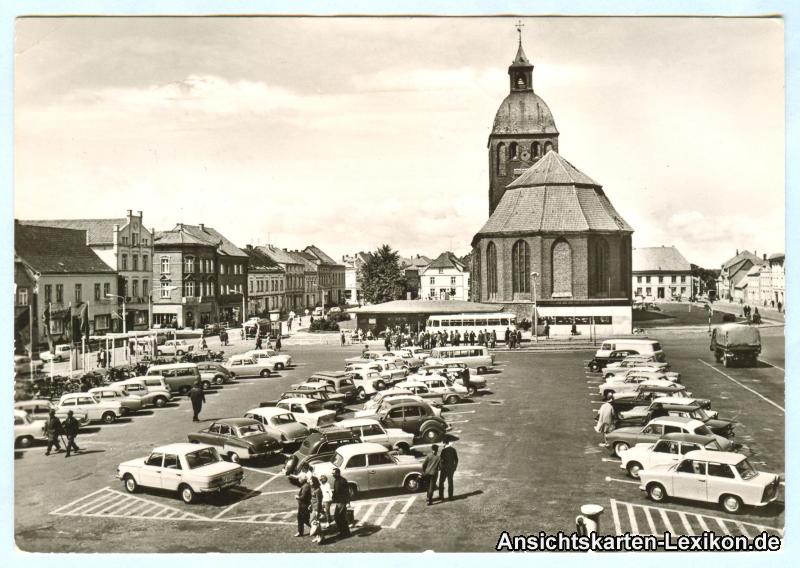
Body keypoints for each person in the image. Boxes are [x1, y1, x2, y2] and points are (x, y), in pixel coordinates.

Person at [331, 467, 351, 537]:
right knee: (339, 517)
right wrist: (333, 499)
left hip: (342, 502)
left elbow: (347, 492)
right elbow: (336, 492)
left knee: (339, 517)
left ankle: (345, 533)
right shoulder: (336, 480)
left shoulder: (343, 481)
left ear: (337, 473)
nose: (332, 474)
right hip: (338, 502)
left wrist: (348, 502)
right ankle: (344, 532)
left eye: (333, 473)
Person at [309, 476, 324, 544]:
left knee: (315, 523)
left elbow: (319, 501)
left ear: (314, 482)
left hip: (316, 509)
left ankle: (320, 536)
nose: (310, 482)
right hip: (313, 508)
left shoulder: (318, 490)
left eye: (311, 481)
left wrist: (318, 511)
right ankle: (318, 536)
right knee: (315, 523)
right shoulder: (313, 489)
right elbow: (313, 499)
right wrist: (310, 505)